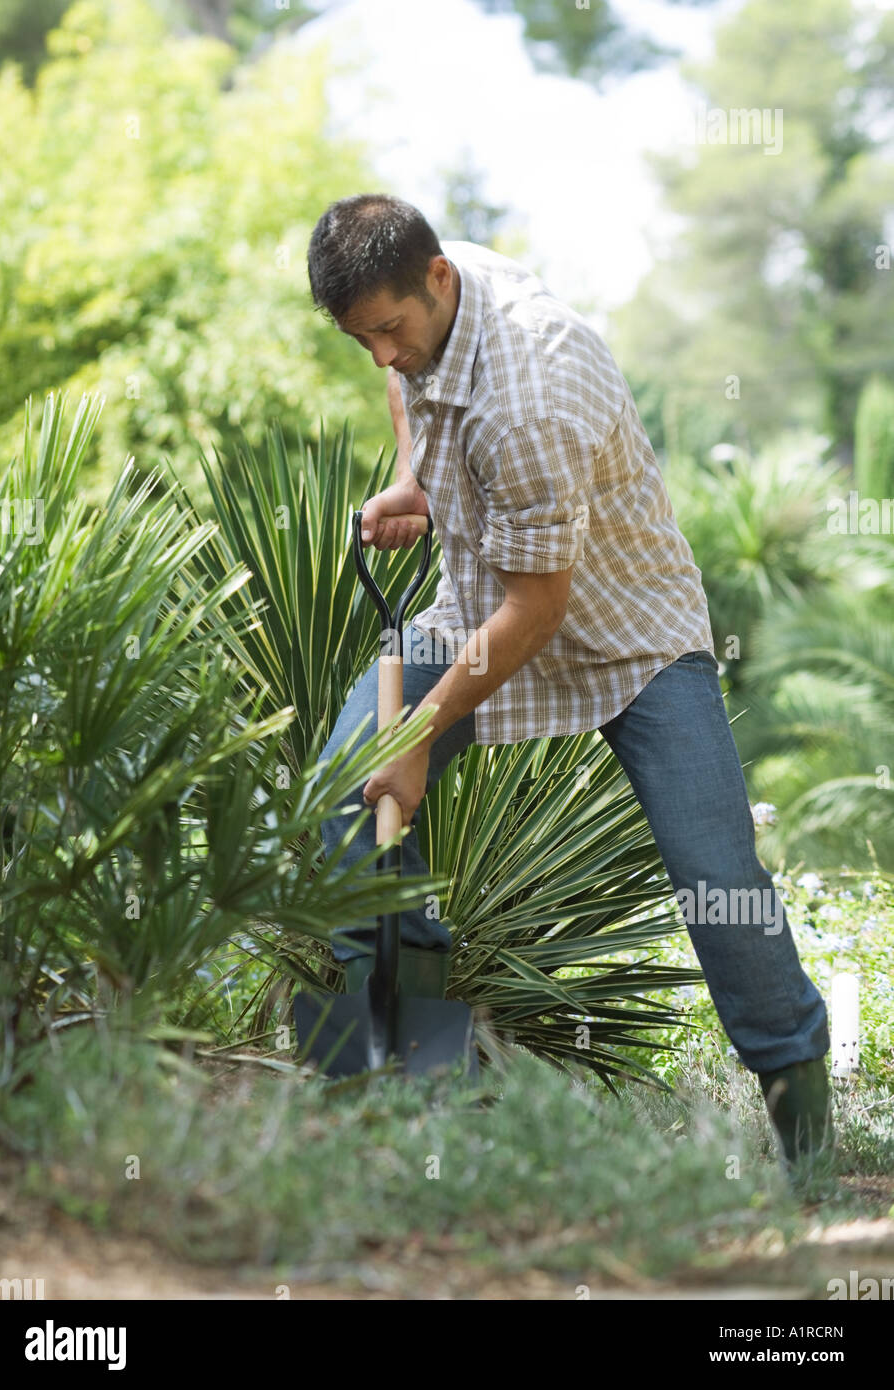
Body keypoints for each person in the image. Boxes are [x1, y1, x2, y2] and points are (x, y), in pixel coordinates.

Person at [306, 192, 832, 1165]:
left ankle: (807, 1139)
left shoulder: (533, 386)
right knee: (346, 785)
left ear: (438, 281)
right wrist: (415, 475)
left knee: (721, 885)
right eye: (361, 340)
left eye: (387, 331)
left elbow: (539, 612)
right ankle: (421, 1087)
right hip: (479, 611)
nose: (381, 354)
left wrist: (419, 734)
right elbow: (407, 384)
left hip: (626, 635)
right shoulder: (423, 293)